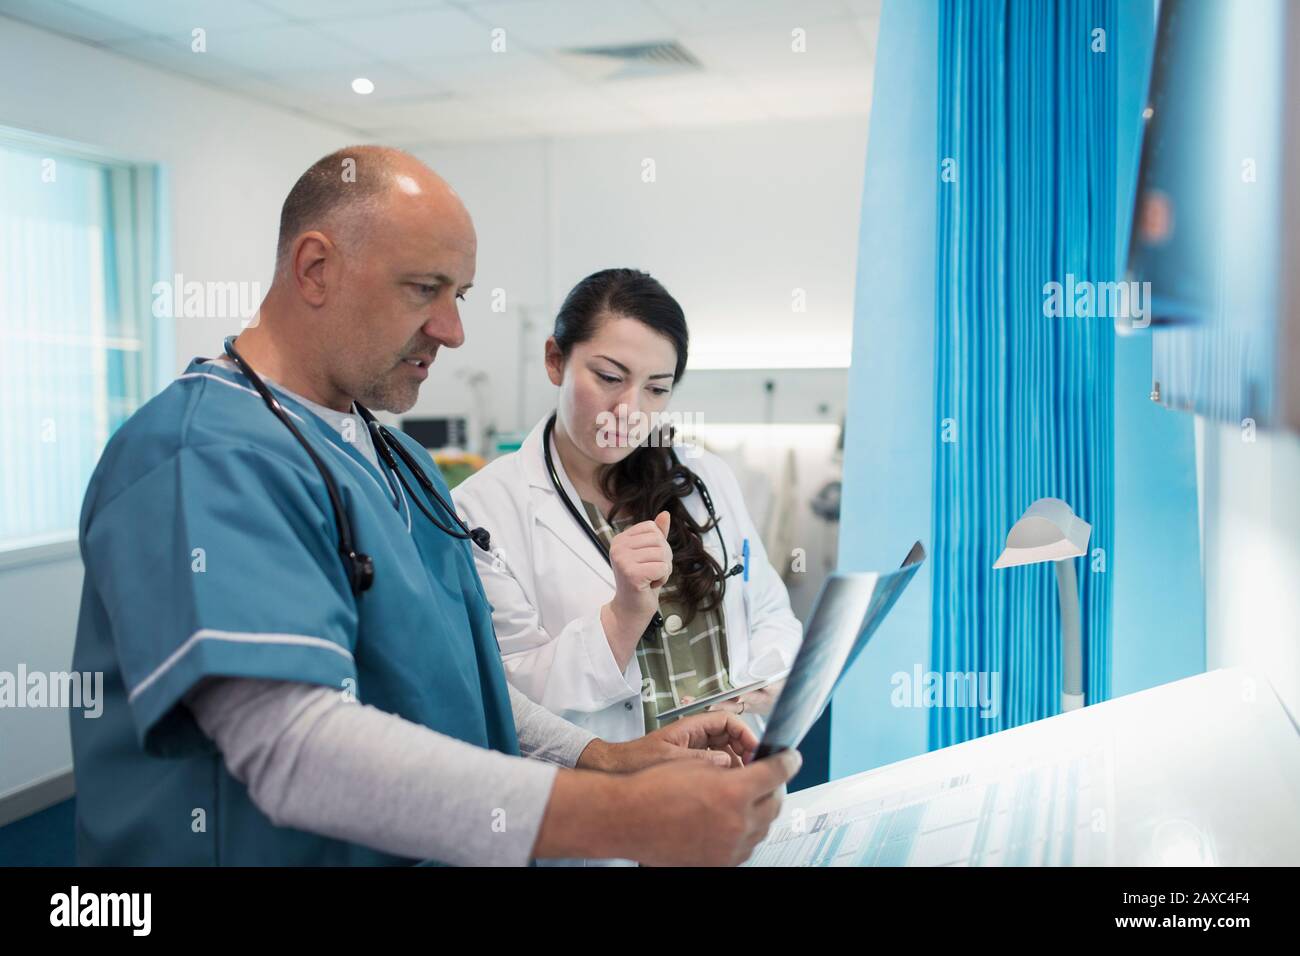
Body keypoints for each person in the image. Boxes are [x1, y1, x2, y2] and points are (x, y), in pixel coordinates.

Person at [69, 146, 798, 866]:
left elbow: (472, 685)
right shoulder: (200, 457)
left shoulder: (402, 465)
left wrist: (603, 758)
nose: (453, 331)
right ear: (315, 269)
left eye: (462, 297)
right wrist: (620, 817)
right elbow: (296, 748)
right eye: (424, 289)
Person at [454, 269, 802, 748]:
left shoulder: (706, 478)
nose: (629, 410)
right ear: (556, 361)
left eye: (656, 388)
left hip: (734, 776)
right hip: (611, 802)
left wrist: (753, 688)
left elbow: (769, 612)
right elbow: (514, 697)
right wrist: (622, 617)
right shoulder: (482, 511)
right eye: (609, 378)